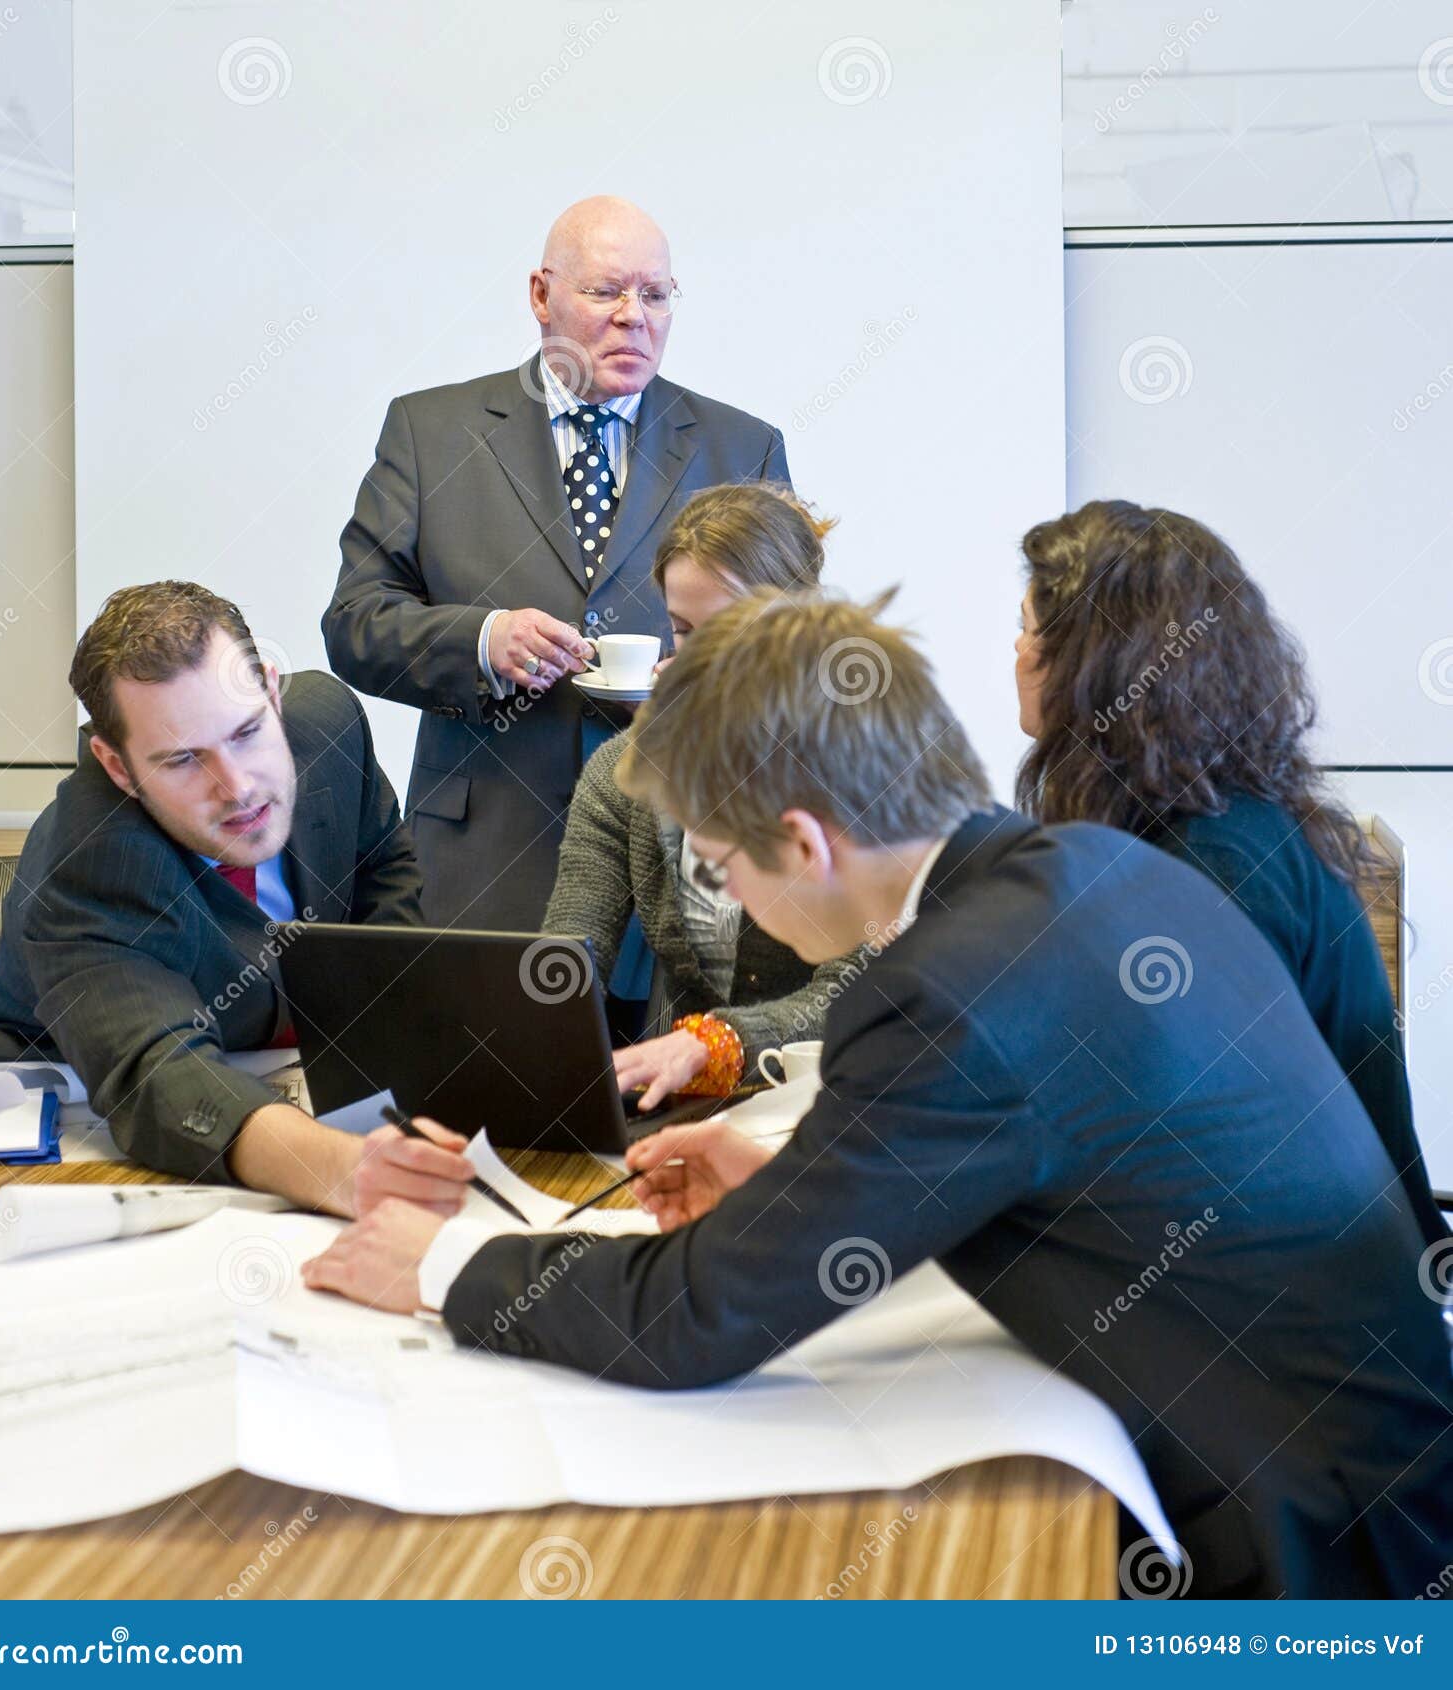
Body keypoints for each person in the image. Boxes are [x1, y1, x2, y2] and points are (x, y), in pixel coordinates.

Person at [306, 591, 1453, 1600]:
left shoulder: (950, 988)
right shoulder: (1094, 866)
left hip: (1314, 1569)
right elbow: (1060, 1166)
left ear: (802, 842)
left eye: (719, 863)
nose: (734, 897)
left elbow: (696, 1319)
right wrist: (810, 1185)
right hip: (1378, 1463)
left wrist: (441, 1262)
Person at [323, 195, 791, 931]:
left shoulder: (742, 448)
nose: (634, 315)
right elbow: (354, 624)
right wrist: (482, 641)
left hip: (683, 869)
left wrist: (709, 685)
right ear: (541, 295)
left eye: (657, 294)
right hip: (484, 869)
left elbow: (792, 654)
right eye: (606, 291)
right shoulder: (431, 432)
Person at [0, 582, 475, 1218]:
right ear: (117, 766)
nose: (236, 787)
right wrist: (344, 1171)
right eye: (182, 760)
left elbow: (381, 868)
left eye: (248, 731)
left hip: (290, 1080)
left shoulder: (330, 725)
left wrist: (378, 1030)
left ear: (272, 692)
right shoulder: (86, 856)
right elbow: (156, 1072)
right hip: (73, 1126)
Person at [1011, 498, 1446, 1247]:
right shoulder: (1192, 829)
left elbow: (1177, 1146)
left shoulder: (1221, 863)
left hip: (1318, 1301)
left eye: (1027, 629)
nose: (1015, 654)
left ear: (1096, 663)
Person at [543, 482, 861, 1110]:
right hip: (693, 1111)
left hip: (850, 1110)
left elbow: (869, 986)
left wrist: (715, 1043)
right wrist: (529, 1026)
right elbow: (570, 954)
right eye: (687, 631)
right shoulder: (624, 773)